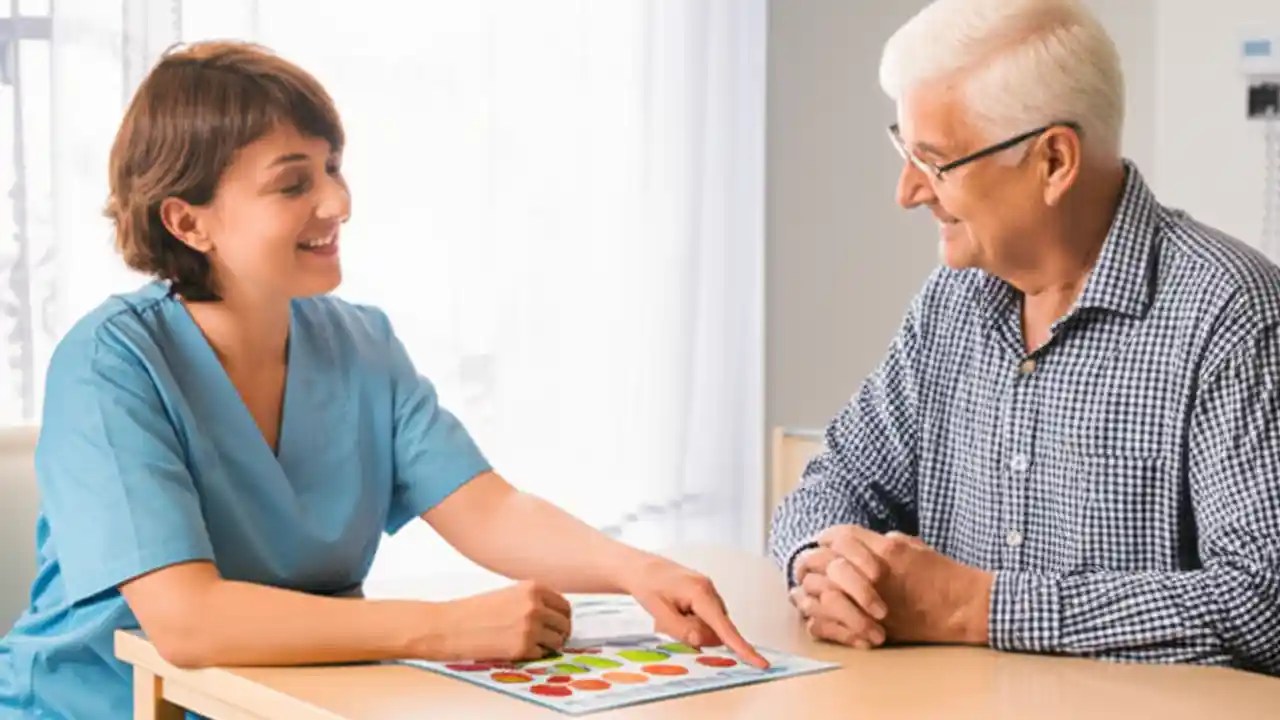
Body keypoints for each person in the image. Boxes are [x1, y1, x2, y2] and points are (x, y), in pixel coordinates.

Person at [0, 40, 766, 719]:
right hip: (102, 705)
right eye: (292, 183)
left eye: (332, 167)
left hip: (285, 704)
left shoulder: (360, 342)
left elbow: (487, 508)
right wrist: (445, 628)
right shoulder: (111, 363)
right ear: (187, 221)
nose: (337, 201)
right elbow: (187, 622)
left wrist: (635, 571)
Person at [770, 0, 1280, 674]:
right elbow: (838, 478)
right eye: (906, 150)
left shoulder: (1231, 313)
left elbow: (1261, 601)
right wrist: (825, 567)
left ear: (1054, 162)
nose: (907, 191)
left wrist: (978, 608)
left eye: (936, 161)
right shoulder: (950, 303)